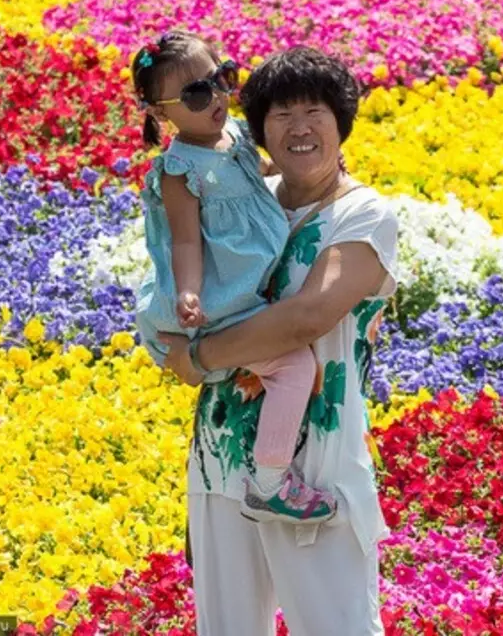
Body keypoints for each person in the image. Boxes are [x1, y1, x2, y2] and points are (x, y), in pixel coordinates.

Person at [160, 46, 398, 636]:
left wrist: (200, 357)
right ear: (259, 130)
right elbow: (177, 268)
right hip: (222, 459)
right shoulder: (244, 207)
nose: (299, 127)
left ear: (341, 123)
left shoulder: (364, 215)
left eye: (314, 111)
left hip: (314, 471)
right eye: (281, 114)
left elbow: (305, 319)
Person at [132, 31, 337, 524]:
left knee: (278, 369)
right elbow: (184, 240)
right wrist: (188, 292)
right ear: (161, 114)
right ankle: (269, 482)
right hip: (218, 302)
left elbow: (256, 172)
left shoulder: (238, 134)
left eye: (221, 78)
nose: (217, 98)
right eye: (197, 96)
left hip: (244, 288)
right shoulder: (181, 171)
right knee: (292, 367)